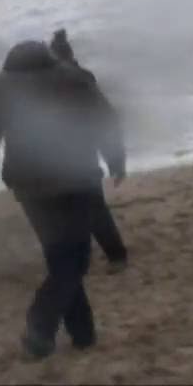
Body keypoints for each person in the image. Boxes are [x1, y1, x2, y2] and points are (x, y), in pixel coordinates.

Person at [0, 40, 127, 360]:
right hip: (78, 178)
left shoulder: (0, 88)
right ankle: (40, 326)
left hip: (31, 187)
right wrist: (116, 160)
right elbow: (105, 120)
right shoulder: (74, 78)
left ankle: (83, 334)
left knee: (61, 258)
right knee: (74, 261)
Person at [48, 30, 129, 273]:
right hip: (83, 151)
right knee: (92, 207)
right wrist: (115, 160)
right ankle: (115, 255)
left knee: (79, 208)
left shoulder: (69, 81)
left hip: (66, 154)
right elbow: (106, 121)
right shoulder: (82, 77)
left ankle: (115, 256)